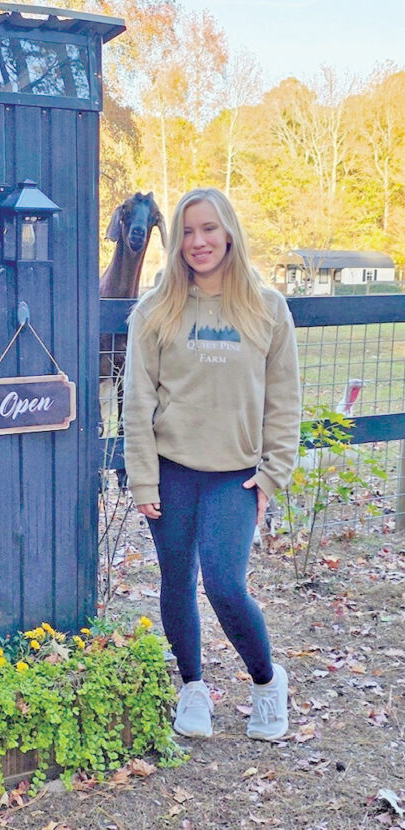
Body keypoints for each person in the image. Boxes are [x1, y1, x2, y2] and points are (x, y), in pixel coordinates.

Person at [122, 187, 300, 741]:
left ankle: (268, 684)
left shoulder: (267, 308)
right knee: (176, 582)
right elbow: (138, 402)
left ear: (228, 233)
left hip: (235, 475)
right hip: (172, 470)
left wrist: (272, 474)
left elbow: (284, 401)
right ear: (177, 241)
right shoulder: (156, 309)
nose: (199, 241)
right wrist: (142, 477)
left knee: (225, 583)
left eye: (209, 229)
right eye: (188, 232)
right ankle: (192, 687)